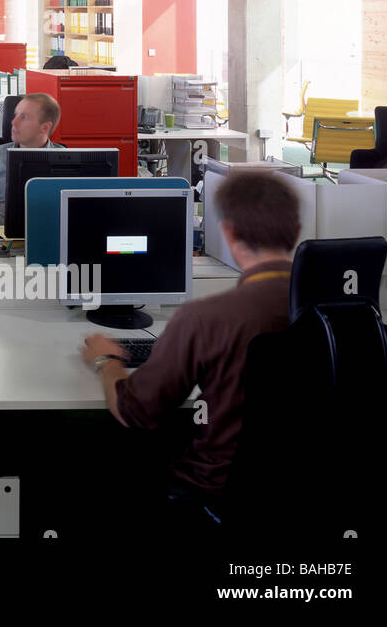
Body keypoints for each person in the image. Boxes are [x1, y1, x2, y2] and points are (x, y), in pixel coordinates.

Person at [79, 170, 297, 526]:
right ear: (297, 231)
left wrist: (107, 359)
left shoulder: (206, 318)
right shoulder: (342, 313)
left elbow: (134, 412)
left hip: (218, 495)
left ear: (228, 232)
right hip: (319, 496)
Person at [0, 92, 62, 225]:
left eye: (24, 117)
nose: (14, 122)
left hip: (48, 238)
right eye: (16, 115)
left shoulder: (66, 160)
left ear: (44, 127)